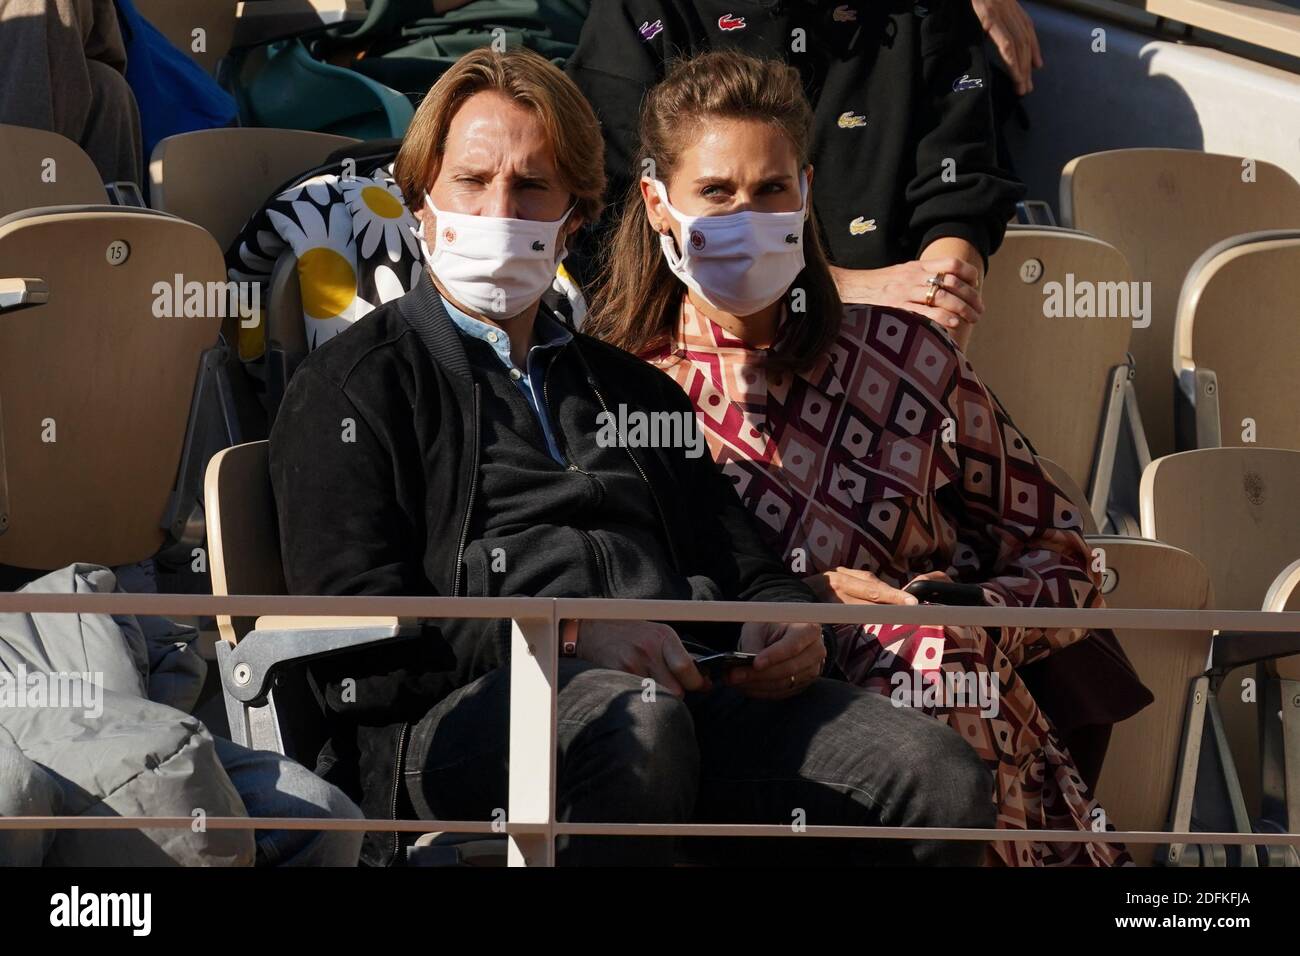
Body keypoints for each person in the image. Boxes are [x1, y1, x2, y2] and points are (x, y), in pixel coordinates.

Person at [269, 46, 996, 867]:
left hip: (687, 693)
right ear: (421, 202)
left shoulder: (632, 388)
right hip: (458, 720)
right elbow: (352, 636)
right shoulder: (353, 385)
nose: (499, 209)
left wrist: (782, 621)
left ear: (575, 215)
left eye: (532, 186)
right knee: (638, 723)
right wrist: (569, 635)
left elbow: (741, 563)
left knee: (935, 775)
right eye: (472, 182)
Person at [584, 49, 1151, 867]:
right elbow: (635, 608)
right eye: (716, 192)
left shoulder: (911, 356)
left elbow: (1069, 559)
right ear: (657, 202)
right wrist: (799, 615)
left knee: (929, 657)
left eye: (771, 189)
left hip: (968, 717)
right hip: (764, 755)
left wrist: (947, 611)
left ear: (807, 191)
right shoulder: (620, 390)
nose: (746, 214)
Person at [566, 0, 1026, 348]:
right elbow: (616, 222)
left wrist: (933, 316)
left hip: (896, 339)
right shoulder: (642, 12)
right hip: (695, 347)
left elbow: (960, 189)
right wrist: (842, 289)